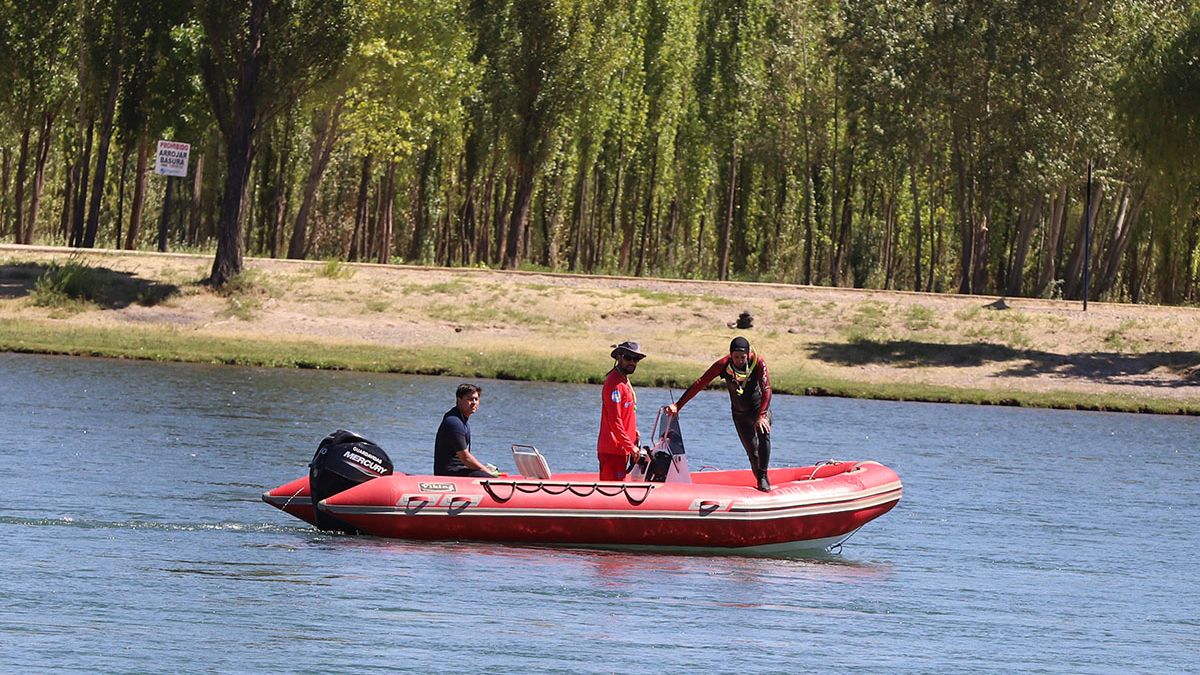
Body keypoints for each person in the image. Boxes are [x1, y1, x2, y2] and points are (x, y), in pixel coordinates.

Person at [666, 336, 773, 491]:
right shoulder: (724, 365)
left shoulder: (758, 363)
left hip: (759, 410)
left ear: (748, 354)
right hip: (740, 414)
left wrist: (762, 415)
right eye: (735, 357)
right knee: (752, 452)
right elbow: (700, 383)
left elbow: (767, 390)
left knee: (763, 432)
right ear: (730, 355)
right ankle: (762, 482)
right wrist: (678, 405)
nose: (739, 361)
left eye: (742, 357)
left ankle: (763, 479)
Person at [596, 341, 645, 481]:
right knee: (611, 495)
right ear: (619, 358)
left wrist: (634, 432)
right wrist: (631, 447)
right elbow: (614, 420)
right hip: (612, 450)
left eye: (635, 359)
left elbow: (626, 414)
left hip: (622, 449)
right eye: (628, 358)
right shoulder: (614, 384)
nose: (632, 362)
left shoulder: (624, 381)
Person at [434, 383, 499, 477]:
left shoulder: (461, 418)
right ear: (459, 399)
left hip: (459, 468)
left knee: (489, 472)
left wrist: (484, 468)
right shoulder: (454, 422)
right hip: (449, 473)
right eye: (470, 399)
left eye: (476, 399)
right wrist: (487, 472)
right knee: (491, 478)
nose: (474, 402)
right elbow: (465, 457)